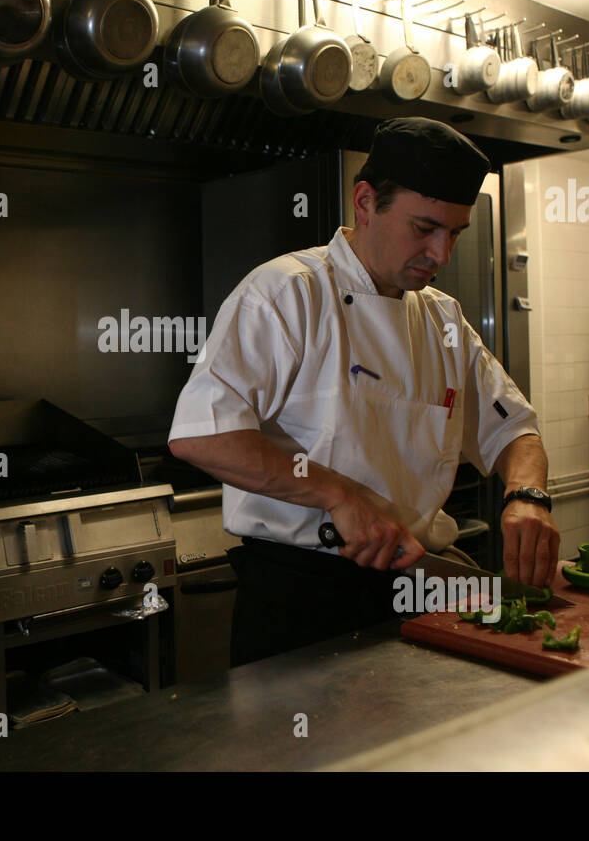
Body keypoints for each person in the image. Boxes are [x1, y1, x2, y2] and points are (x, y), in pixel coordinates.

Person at [167, 117, 559, 666]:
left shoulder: (442, 318)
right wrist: (339, 495)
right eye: (424, 229)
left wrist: (527, 499)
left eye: (455, 234)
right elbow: (203, 436)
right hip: (303, 599)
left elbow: (515, 430)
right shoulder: (288, 292)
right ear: (365, 201)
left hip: (419, 585)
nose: (441, 254)